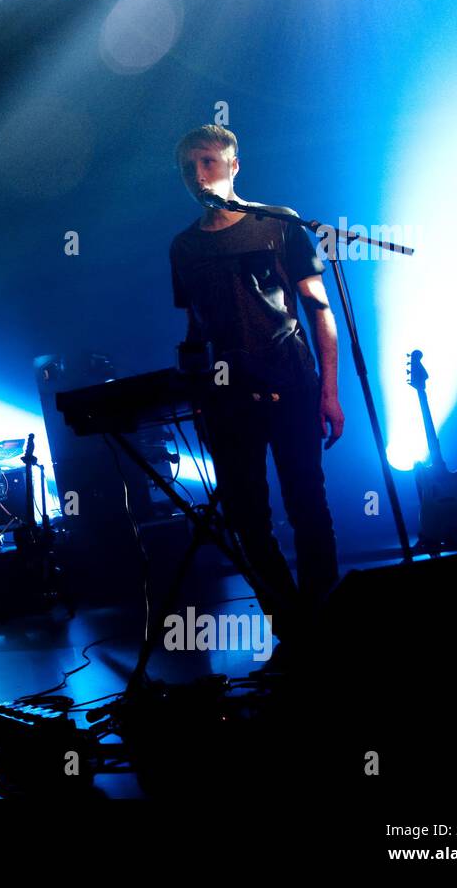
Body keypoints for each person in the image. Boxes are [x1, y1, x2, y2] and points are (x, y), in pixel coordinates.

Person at [169, 125, 343, 655]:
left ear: (233, 165)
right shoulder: (184, 247)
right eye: (189, 167)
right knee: (247, 519)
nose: (199, 175)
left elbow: (319, 309)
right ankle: (291, 628)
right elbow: (195, 330)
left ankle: (328, 620)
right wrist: (198, 395)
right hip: (227, 398)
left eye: (207, 162)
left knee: (307, 503)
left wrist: (329, 391)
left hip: (291, 383)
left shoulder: (280, 225)